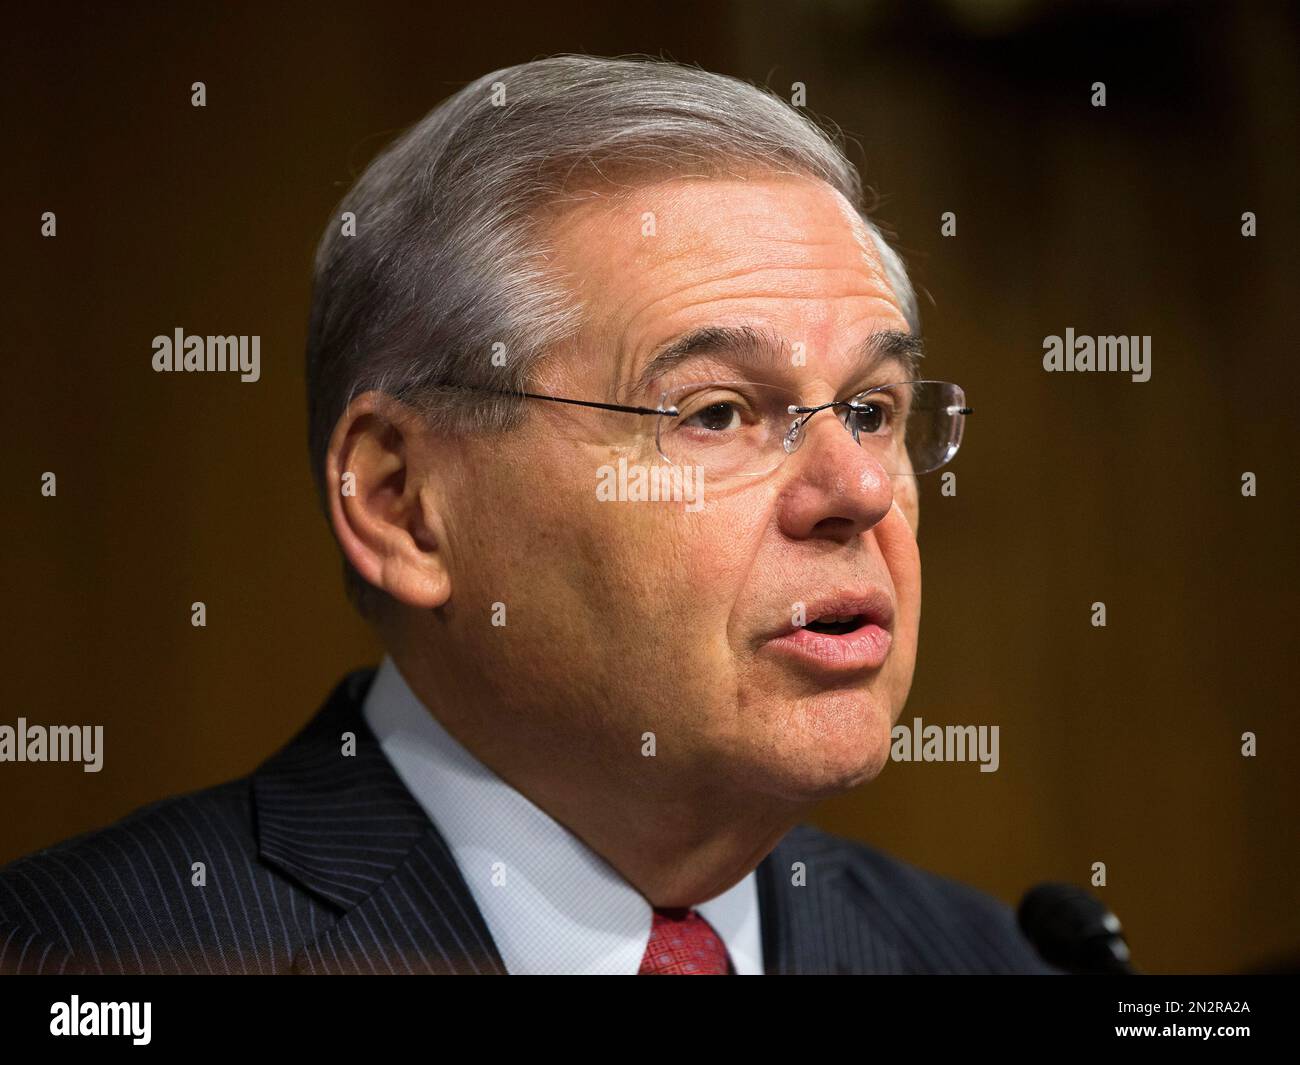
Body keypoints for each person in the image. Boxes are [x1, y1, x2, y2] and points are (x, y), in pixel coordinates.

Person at [0, 54, 1055, 975]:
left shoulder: (993, 957)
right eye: (718, 413)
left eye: (872, 412)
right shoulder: (80, 953)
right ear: (403, 505)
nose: (860, 491)